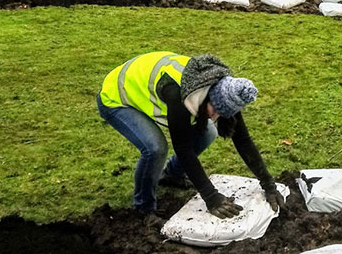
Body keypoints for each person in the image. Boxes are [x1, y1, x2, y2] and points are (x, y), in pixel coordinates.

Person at [97, 52, 282, 224]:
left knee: (209, 131)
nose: (216, 117)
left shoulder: (225, 92)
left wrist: (269, 185)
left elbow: (243, 140)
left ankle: (172, 175)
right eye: (215, 110)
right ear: (206, 98)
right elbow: (183, 148)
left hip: (146, 90)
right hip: (117, 97)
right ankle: (143, 208)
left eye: (221, 114)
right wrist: (211, 197)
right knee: (155, 148)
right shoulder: (177, 93)